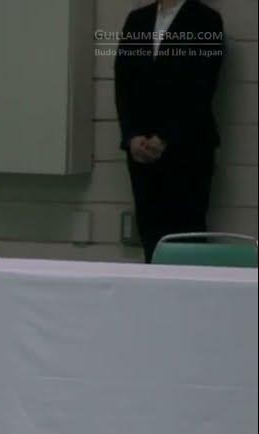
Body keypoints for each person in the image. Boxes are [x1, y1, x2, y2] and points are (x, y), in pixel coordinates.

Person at [114, 0, 225, 262]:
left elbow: (201, 86)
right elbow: (123, 83)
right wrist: (131, 136)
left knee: (187, 233)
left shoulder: (205, 20)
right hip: (141, 150)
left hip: (188, 147)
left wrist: (165, 137)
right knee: (151, 234)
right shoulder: (137, 21)